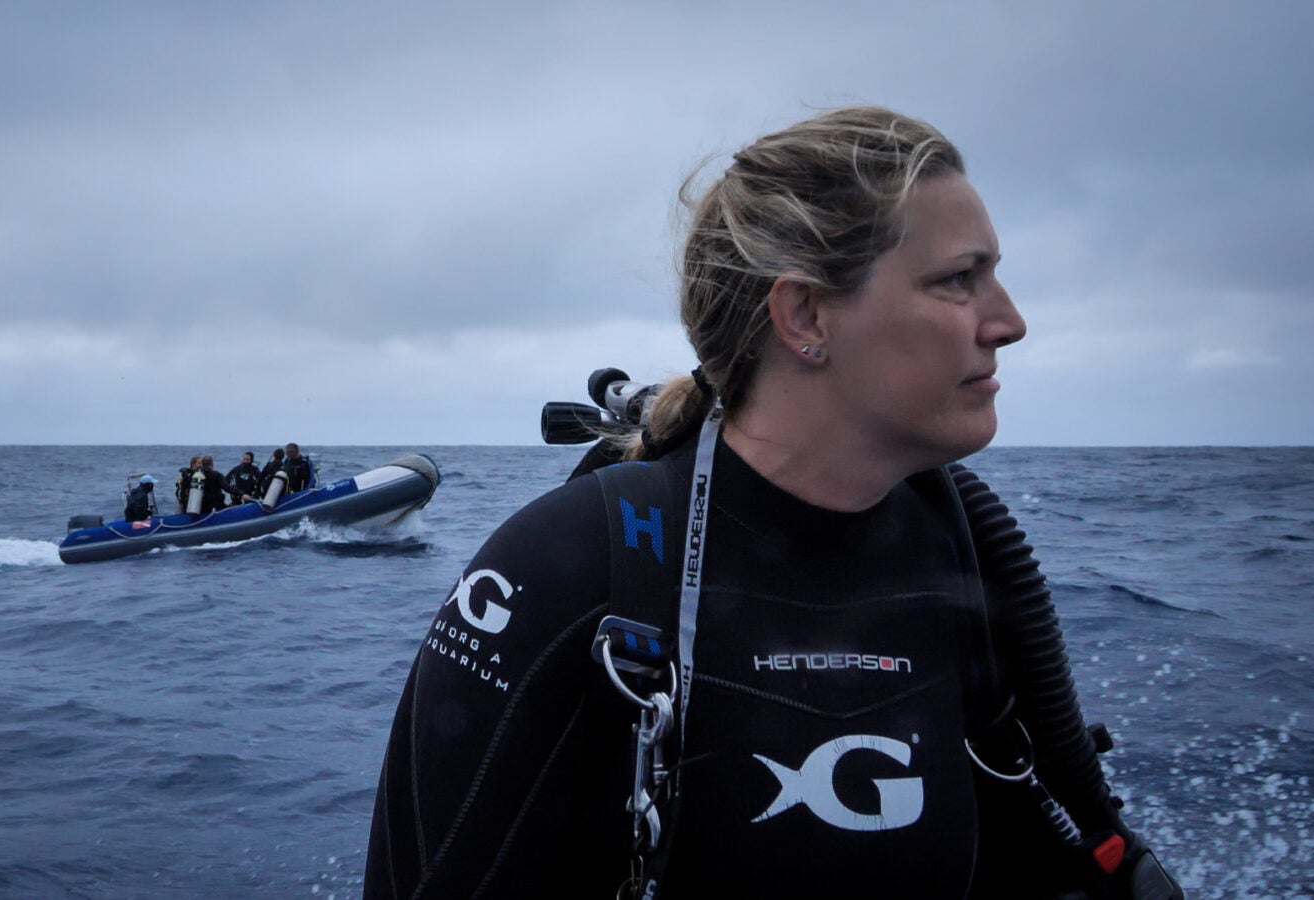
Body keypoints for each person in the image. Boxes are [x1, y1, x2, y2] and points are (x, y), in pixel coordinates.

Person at [365, 107, 1182, 899]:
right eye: (959, 280)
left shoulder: (969, 557)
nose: (1010, 322)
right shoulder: (567, 570)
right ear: (805, 316)